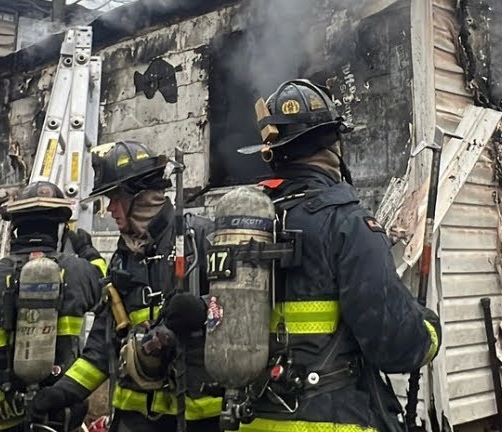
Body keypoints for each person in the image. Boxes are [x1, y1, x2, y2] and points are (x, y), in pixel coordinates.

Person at [226, 78, 442, 432]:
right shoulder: (348, 224)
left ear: (273, 151)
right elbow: (394, 344)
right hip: (330, 419)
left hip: (254, 419)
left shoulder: (243, 226)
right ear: (333, 142)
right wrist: (428, 329)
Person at [30, 139, 222, 431]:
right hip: (134, 421)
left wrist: (203, 310)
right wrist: (63, 392)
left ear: (141, 195)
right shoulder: (123, 259)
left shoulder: (199, 239)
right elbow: (101, 345)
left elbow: (240, 315)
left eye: (115, 197)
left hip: (195, 419)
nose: (110, 209)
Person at [0, 180, 104, 431]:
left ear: (14, 230)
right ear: (58, 231)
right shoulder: (80, 271)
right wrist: (88, 251)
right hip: (54, 410)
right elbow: (104, 287)